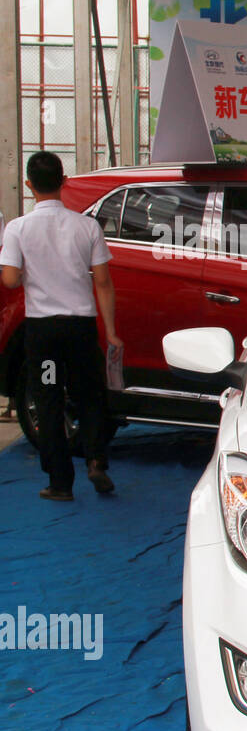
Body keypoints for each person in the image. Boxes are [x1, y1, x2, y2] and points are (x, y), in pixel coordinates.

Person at [0, 151, 120, 499]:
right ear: (64, 182)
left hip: (43, 333)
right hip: (80, 328)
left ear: (28, 185)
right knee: (89, 395)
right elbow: (103, 282)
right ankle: (96, 460)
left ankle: (59, 482)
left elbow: (8, 280)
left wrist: (25, 270)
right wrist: (110, 330)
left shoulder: (18, 229)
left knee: (49, 399)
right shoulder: (87, 226)